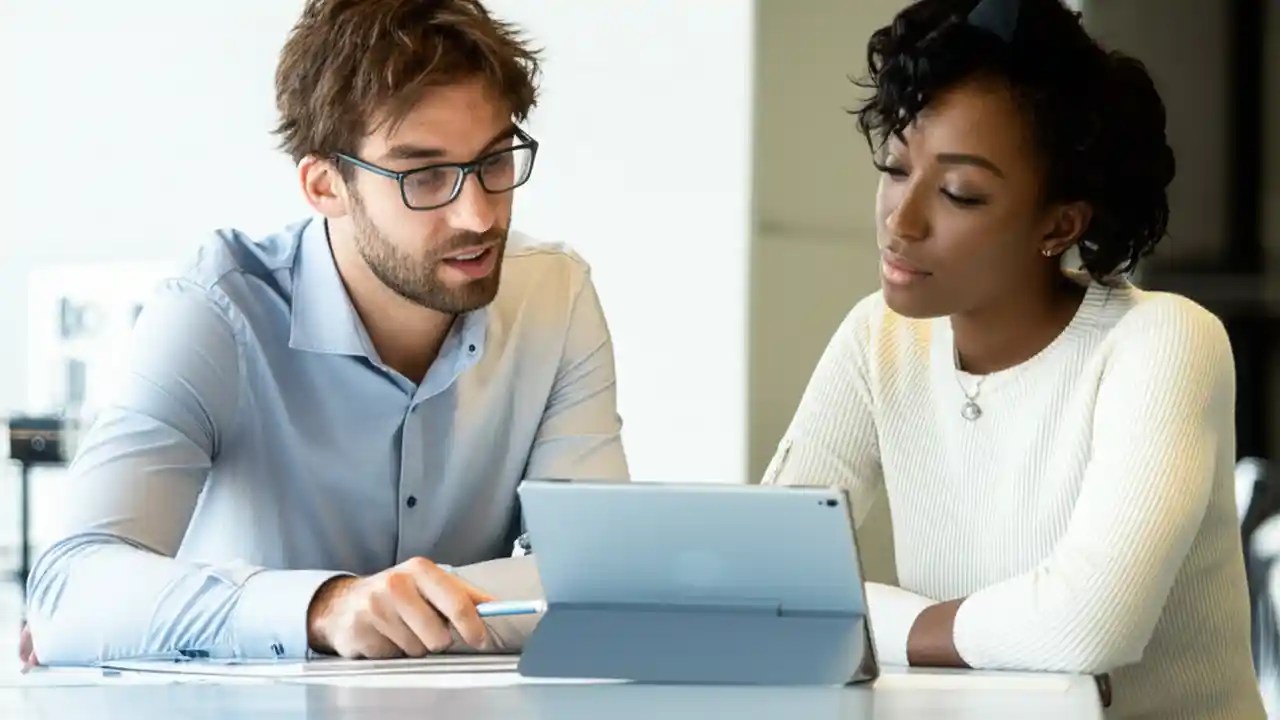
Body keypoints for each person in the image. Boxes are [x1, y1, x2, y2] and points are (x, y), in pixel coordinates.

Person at [22, 0, 626, 666]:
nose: (477, 213)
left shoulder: (555, 297)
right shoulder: (217, 313)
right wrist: (323, 607)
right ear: (324, 186)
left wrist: (405, 606)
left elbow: (598, 579)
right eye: (423, 176)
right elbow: (69, 594)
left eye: (494, 162)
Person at [762, 0, 1264, 718]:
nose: (901, 223)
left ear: (1061, 223)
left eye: (960, 193)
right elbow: (770, 580)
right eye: (895, 167)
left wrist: (867, 618)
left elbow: (1087, 624)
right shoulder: (879, 338)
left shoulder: (1162, 342)